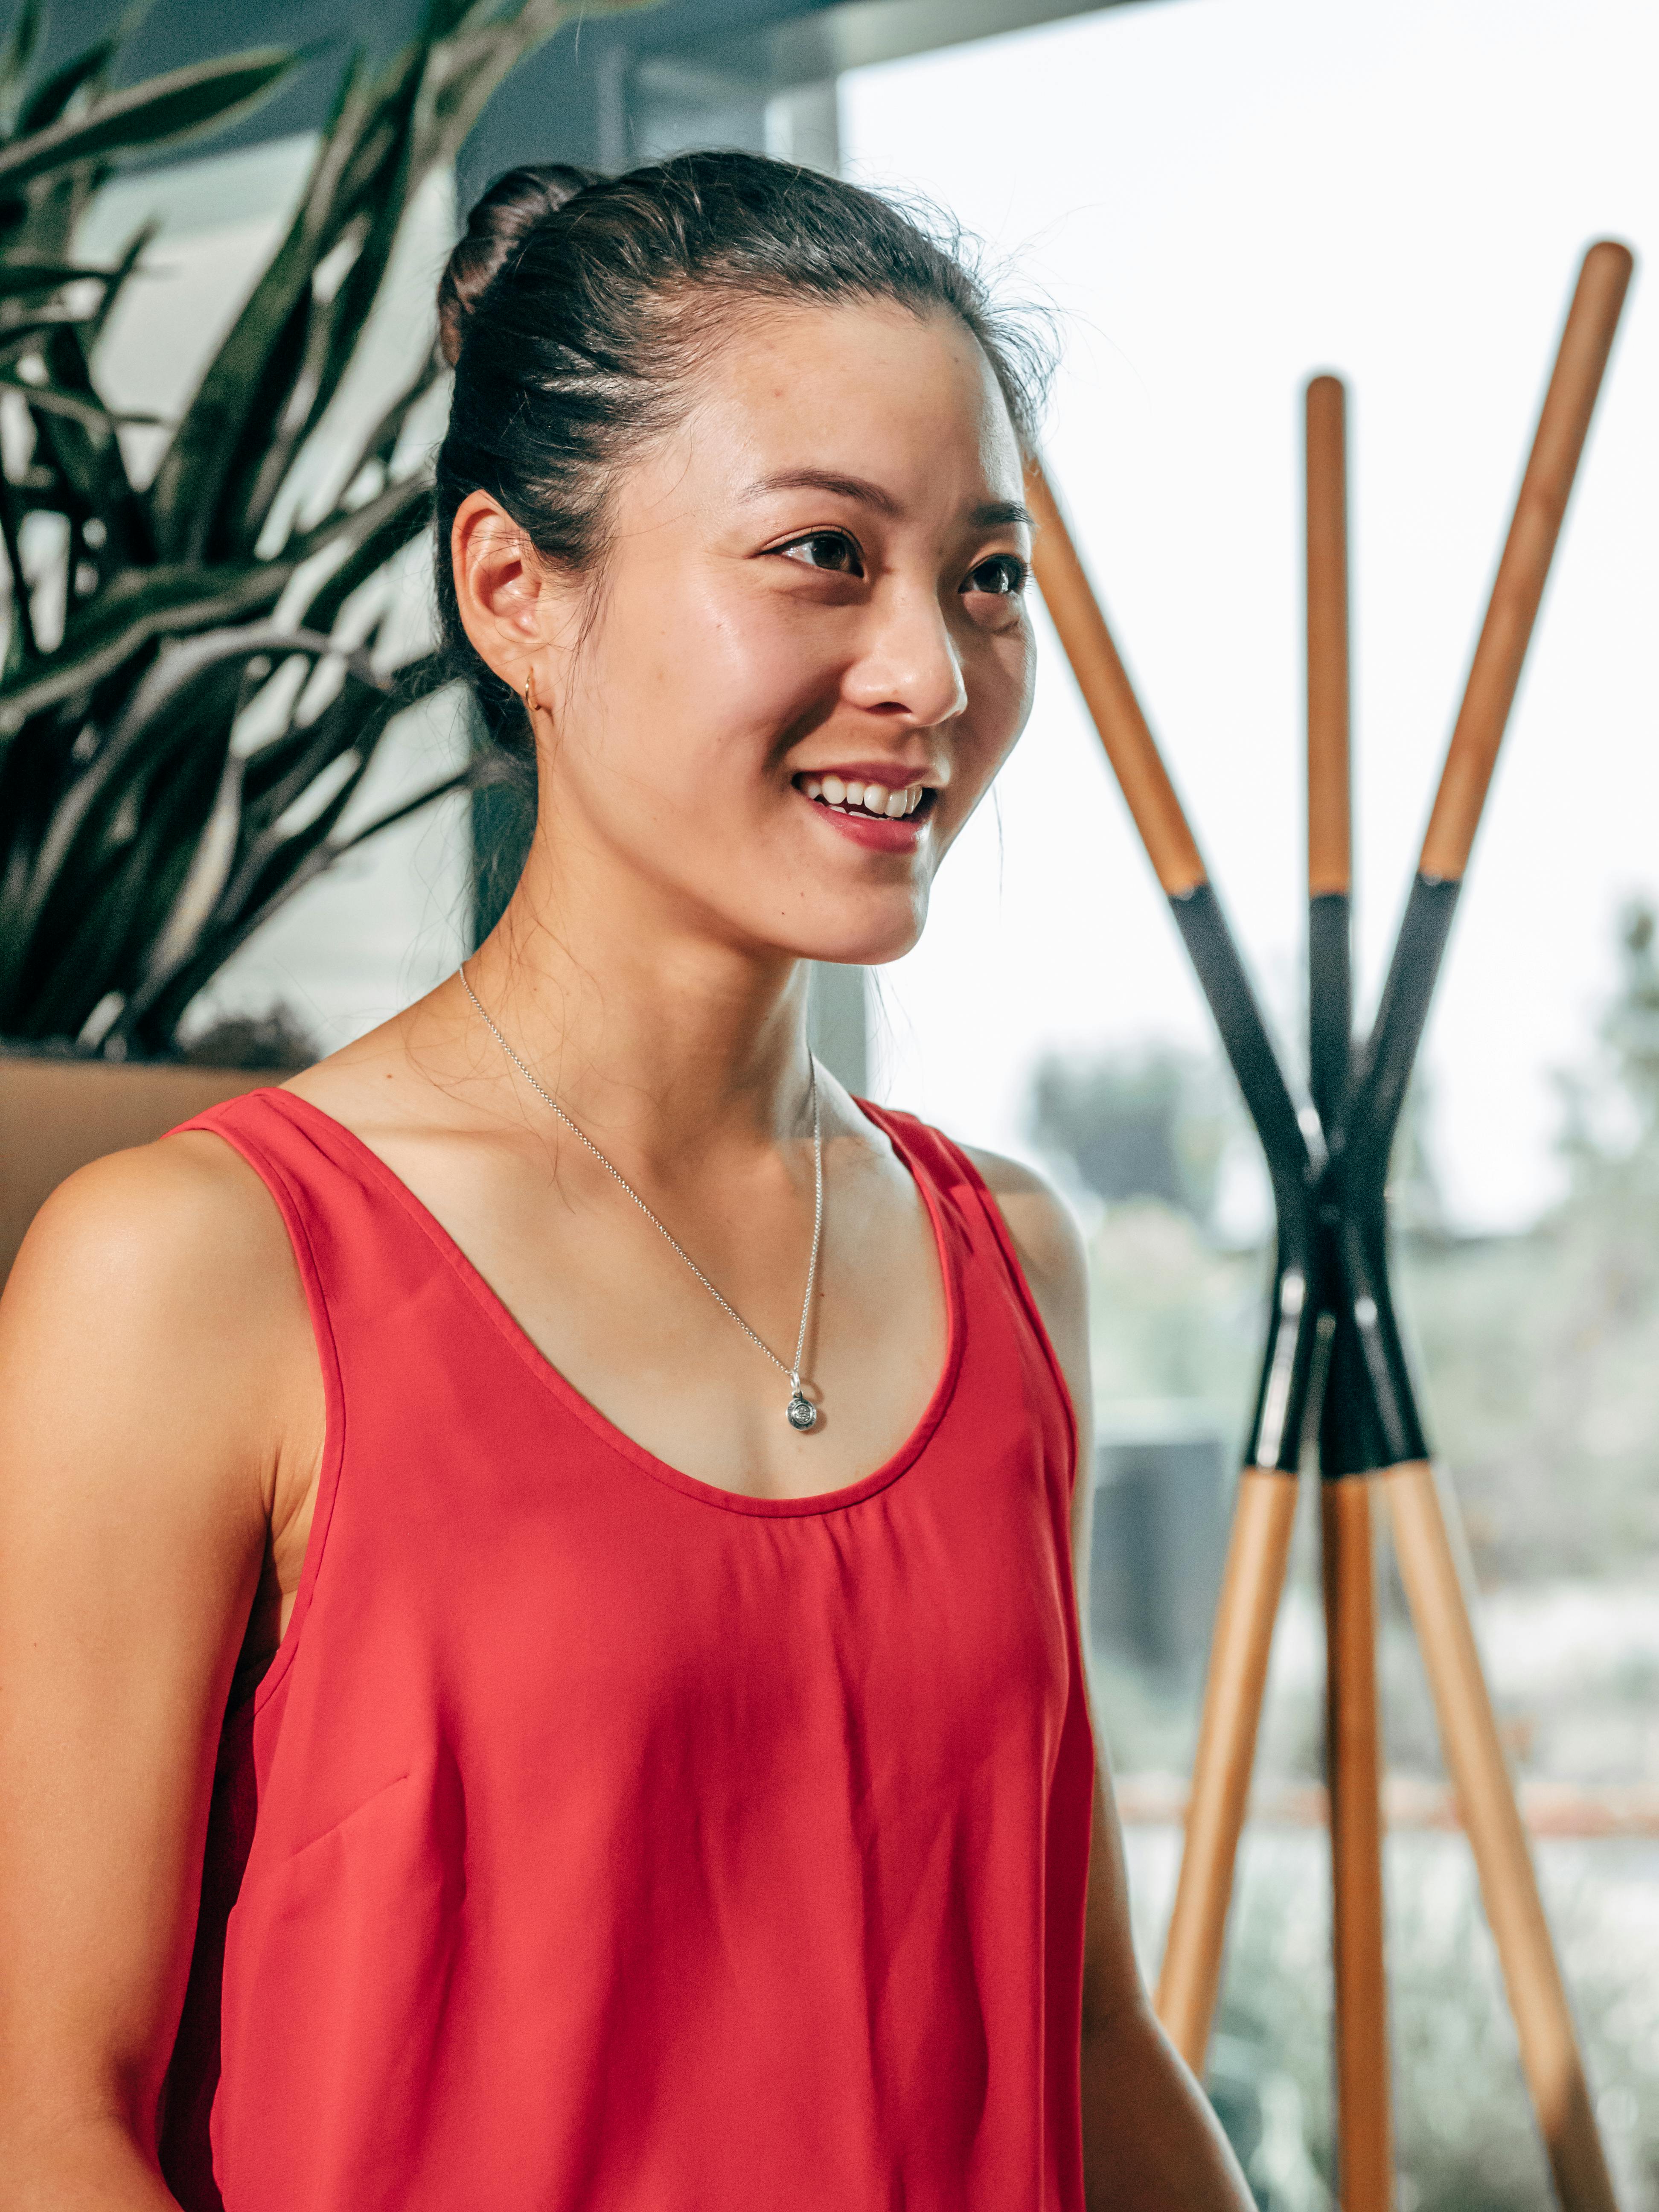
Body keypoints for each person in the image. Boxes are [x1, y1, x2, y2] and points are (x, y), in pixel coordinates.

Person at [0, 154, 1252, 2211]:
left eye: (987, 576)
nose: (935, 674)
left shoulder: (1010, 1261)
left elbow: (1088, 2046)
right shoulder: (195, 1274)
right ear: (516, 590)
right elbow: (43, 2123)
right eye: (824, 555)